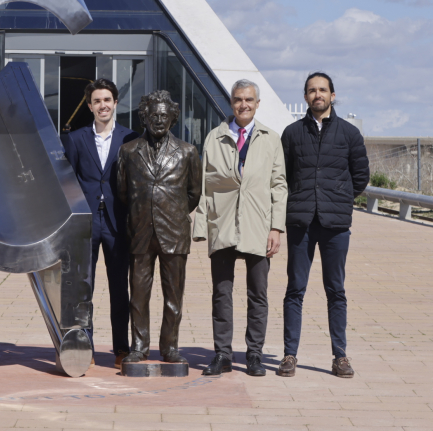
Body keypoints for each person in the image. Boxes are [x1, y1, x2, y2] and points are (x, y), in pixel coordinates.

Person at [277, 72, 369, 379]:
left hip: (335, 225)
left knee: (336, 290)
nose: (318, 95)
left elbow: (361, 176)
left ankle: (340, 356)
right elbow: (283, 175)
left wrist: (338, 199)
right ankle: (289, 355)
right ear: (305, 97)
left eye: (323, 90)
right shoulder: (292, 133)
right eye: (312, 90)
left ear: (332, 95)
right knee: (295, 290)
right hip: (300, 223)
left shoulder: (349, 134)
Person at [194, 79, 287, 377]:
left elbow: (278, 186)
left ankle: (254, 354)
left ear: (257, 104)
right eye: (238, 99)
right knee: (221, 293)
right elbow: (205, 186)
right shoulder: (215, 138)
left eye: (248, 100)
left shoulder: (271, 139)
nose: (243, 104)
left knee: (257, 294)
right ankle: (222, 353)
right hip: (222, 224)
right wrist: (201, 226)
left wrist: (276, 228)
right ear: (231, 103)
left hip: (258, 225)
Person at [116, 90, 202, 365]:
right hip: (140, 231)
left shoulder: (188, 152)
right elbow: (123, 192)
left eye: (164, 115)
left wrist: (171, 211)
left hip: (174, 232)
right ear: (144, 117)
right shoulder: (128, 151)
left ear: (173, 117)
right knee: (138, 295)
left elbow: (194, 193)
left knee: (173, 296)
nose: (159, 120)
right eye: (153, 115)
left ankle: (170, 347)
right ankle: (139, 346)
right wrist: (144, 211)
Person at [60, 78, 139, 369]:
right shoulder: (76, 139)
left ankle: (121, 348)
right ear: (90, 106)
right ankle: (85, 346)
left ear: (115, 103)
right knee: (83, 290)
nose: (102, 105)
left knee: (120, 289)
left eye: (107, 100)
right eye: (97, 101)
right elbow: (67, 182)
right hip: (86, 224)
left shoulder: (131, 138)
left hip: (118, 223)